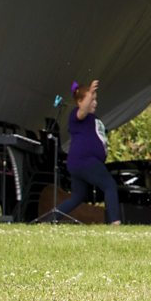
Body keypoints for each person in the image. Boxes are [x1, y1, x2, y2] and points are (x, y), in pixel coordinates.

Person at [55, 80, 121, 225]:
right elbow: (83, 110)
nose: (94, 102)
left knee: (77, 196)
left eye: (95, 99)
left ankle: (51, 219)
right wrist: (90, 92)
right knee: (109, 185)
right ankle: (114, 222)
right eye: (91, 99)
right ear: (80, 102)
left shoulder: (92, 118)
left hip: (79, 162)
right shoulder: (76, 115)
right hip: (84, 161)